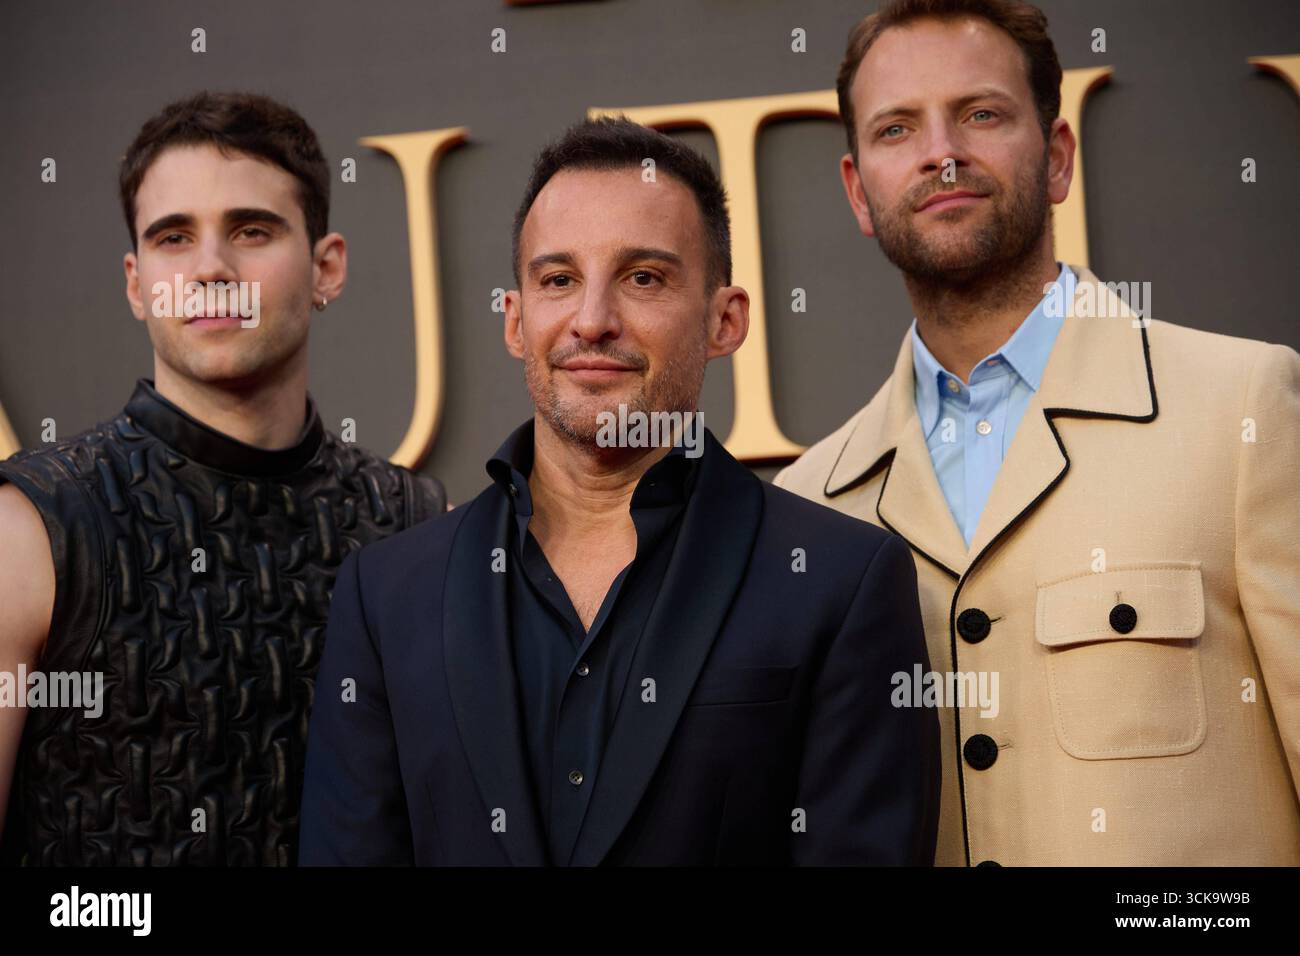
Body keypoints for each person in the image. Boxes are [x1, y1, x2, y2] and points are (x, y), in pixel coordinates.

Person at [299, 117, 939, 866]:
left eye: (643, 278)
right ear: (515, 320)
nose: (593, 321)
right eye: (559, 280)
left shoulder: (841, 582)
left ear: (724, 320)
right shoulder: (388, 596)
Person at [775, 0, 1300, 865]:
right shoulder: (808, 506)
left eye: (981, 114)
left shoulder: (1241, 409)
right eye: (897, 129)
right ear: (857, 190)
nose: (942, 153)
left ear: (1056, 157)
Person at [0, 91, 446, 866]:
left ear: (326, 267)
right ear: (137, 284)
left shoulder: (411, 522)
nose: (211, 268)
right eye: (175, 238)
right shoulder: (31, 528)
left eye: (251, 230)